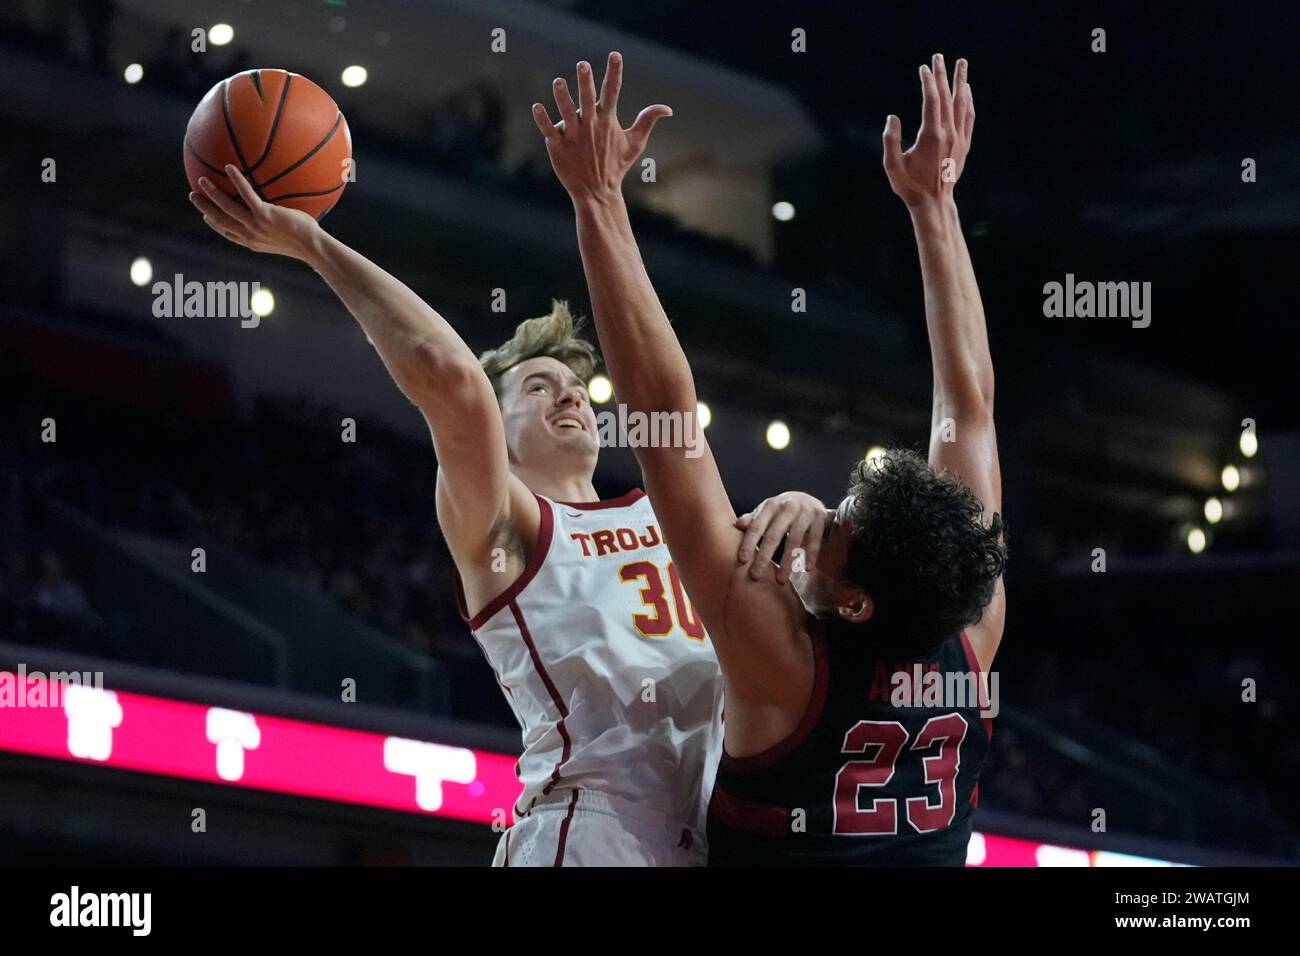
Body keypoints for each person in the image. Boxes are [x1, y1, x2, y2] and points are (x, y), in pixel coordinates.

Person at [534, 51, 1006, 864]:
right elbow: (968, 405)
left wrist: (598, 199)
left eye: (834, 528)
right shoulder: (971, 611)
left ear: (854, 603)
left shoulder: (783, 665)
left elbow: (661, 415)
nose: (822, 514)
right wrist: (934, 203)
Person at [187, 166, 724, 866]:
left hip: (708, 835)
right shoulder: (505, 524)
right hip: (593, 829)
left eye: (576, 387)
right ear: (497, 433)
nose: (571, 398)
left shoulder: (668, 517)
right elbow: (450, 377)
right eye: (539, 386)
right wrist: (315, 245)